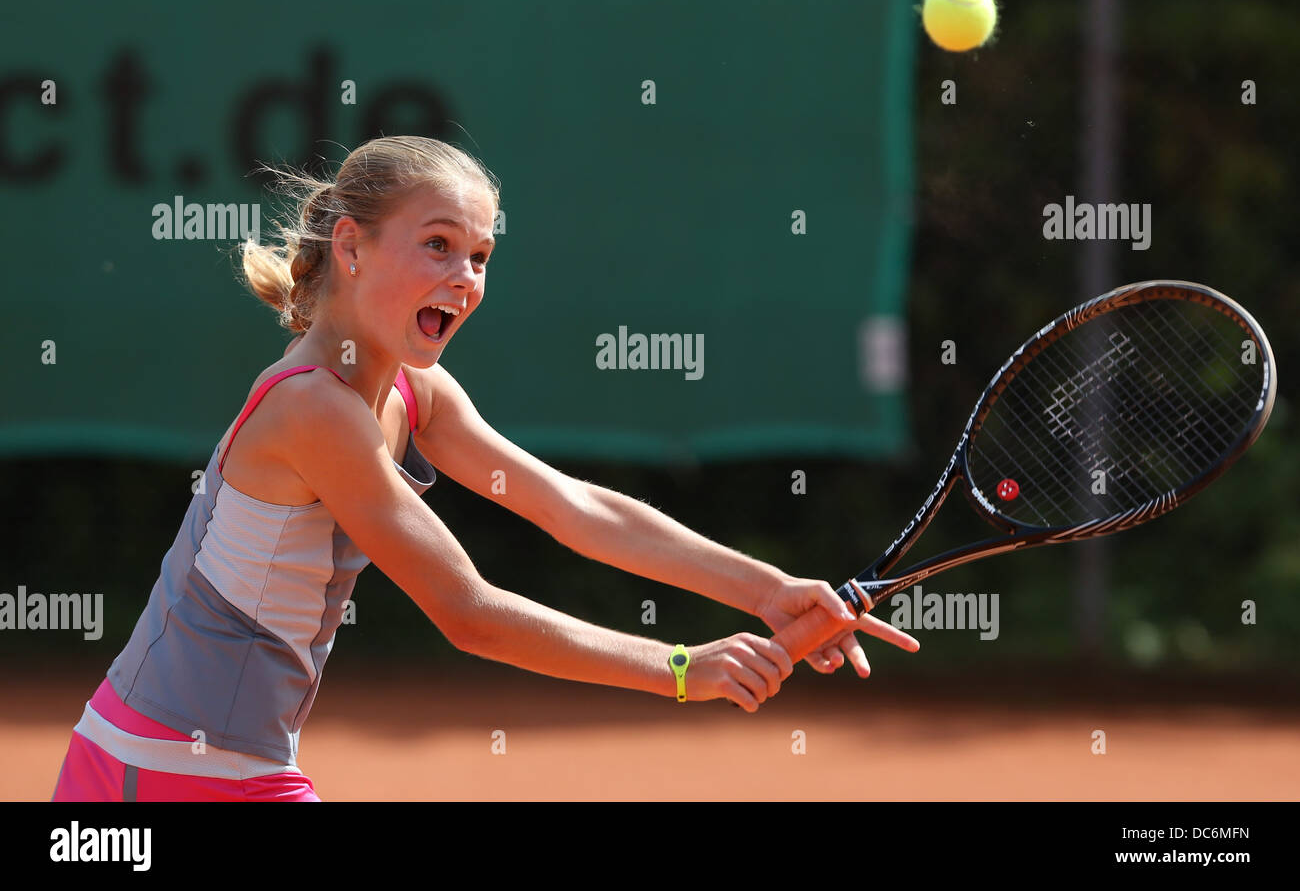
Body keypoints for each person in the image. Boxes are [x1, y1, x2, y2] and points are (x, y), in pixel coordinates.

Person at [51, 136, 918, 802]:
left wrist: (767, 591)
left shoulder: (414, 390)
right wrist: (680, 668)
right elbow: (470, 613)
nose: (464, 279)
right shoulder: (313, 409)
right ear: (349, 248)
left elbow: (575, 508)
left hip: (200, 766)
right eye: (437, 245)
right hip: (156, 776)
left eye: (481, 256)